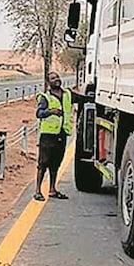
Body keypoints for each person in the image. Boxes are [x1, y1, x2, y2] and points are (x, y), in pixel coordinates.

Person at [34, 71, 88, 201]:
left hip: (62, 134)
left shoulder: (67, 94)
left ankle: (52, 190)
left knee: (56, 163)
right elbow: (39, 113)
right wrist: (50, 111)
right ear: (48, 82)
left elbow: (82, 99)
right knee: (43, 163)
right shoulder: (45, 97)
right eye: (53, 78)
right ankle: (37, 191)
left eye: (57, 77)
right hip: (48, 136)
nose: (56, 79)